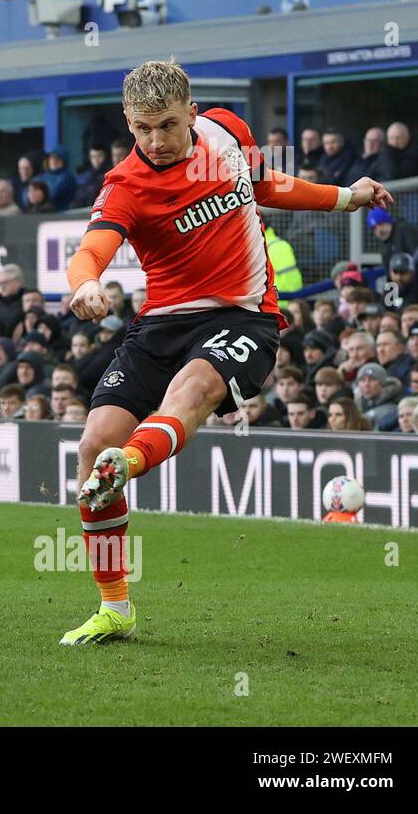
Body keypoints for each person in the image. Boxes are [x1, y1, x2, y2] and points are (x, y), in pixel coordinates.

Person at [61, 59, 391, 646]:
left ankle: (128, 465)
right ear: (126, 123)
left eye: (165, 125)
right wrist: (84, 284)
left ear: (192, 113)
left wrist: (346, 196)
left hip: (245, 315)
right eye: (141, 129)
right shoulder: (125, 186)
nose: (155, 141)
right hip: (162, 322)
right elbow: (92, 250)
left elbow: (268, 186)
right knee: (92, 444)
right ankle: (116, 607)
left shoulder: (226, 131)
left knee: (193, 388)